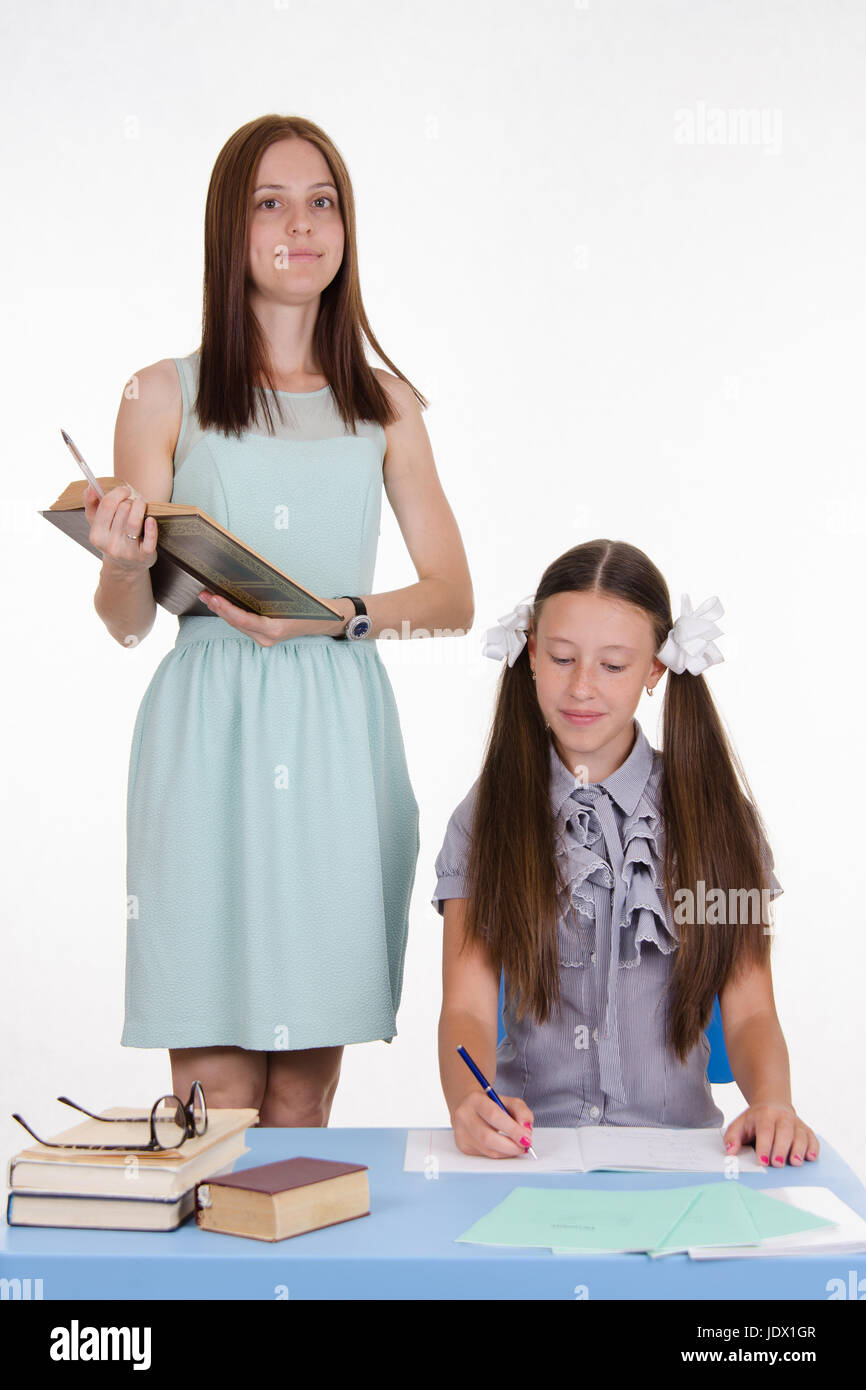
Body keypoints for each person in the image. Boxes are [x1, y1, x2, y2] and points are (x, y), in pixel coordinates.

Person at [85, 114, 473, 1126]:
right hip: (206, 731)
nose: (298, 225)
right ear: (229, 227)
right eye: (269, 203)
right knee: (211, 1096)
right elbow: (127, 622)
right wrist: (124, 563)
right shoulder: (161, 393)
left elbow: (449, 597)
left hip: (335, 729)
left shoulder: (384, 404)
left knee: (303, 1095)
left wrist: (334, 619)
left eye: (321, 201)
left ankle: (289, 1288)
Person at [432, 539, 819, 1168]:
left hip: (684, 1157)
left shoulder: (718, 822)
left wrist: (773, 1101)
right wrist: (470, 1099)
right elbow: (466, 1007)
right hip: (531, 1155)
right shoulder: (483, 820)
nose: (582, 687)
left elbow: (750, 1012)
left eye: (613, 666)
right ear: (530, 652)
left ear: (655, 671)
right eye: (561, 657)